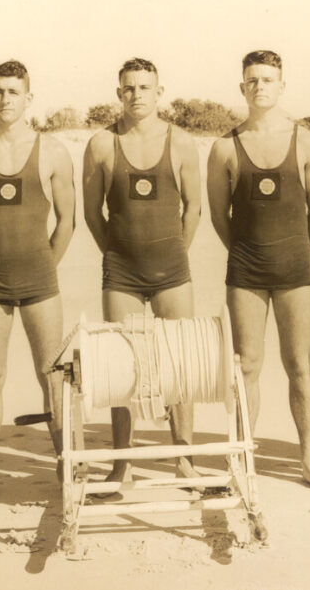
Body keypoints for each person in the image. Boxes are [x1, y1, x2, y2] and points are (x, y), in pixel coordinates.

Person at [207, 49, 310, 491]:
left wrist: (295, 251)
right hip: (245, 270)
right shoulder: (225, 147)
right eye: (253, 80)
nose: (260, 86)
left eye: (267, 79)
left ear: (282, 85)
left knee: (299, 364)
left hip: (295, 269)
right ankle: (241, 460)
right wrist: (247, 252)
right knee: (246, 367)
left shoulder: (308, 142)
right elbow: (219, 216)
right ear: (242, 87)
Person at [0, 60, 76, 501]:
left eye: (14, 91)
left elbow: (67, 221)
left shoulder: (53, 152)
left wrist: (44, 265)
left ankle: (67, 471)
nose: (6, 99)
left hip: (40, 280)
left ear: (29, 98)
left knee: (53, 377)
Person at [82, 57, 202, 486]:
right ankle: (122, 463)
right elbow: (92, 213)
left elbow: (195, 208)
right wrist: (117, 255)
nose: (137, 95)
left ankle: (184, 459)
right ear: (119, 93)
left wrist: (174, 253)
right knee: (120, 368)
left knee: (180, 364)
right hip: (122, 274)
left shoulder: (181, 142)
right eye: (129, 88)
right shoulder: (101, 144)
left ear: (159, 92)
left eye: (145, 87)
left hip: (173, 271)